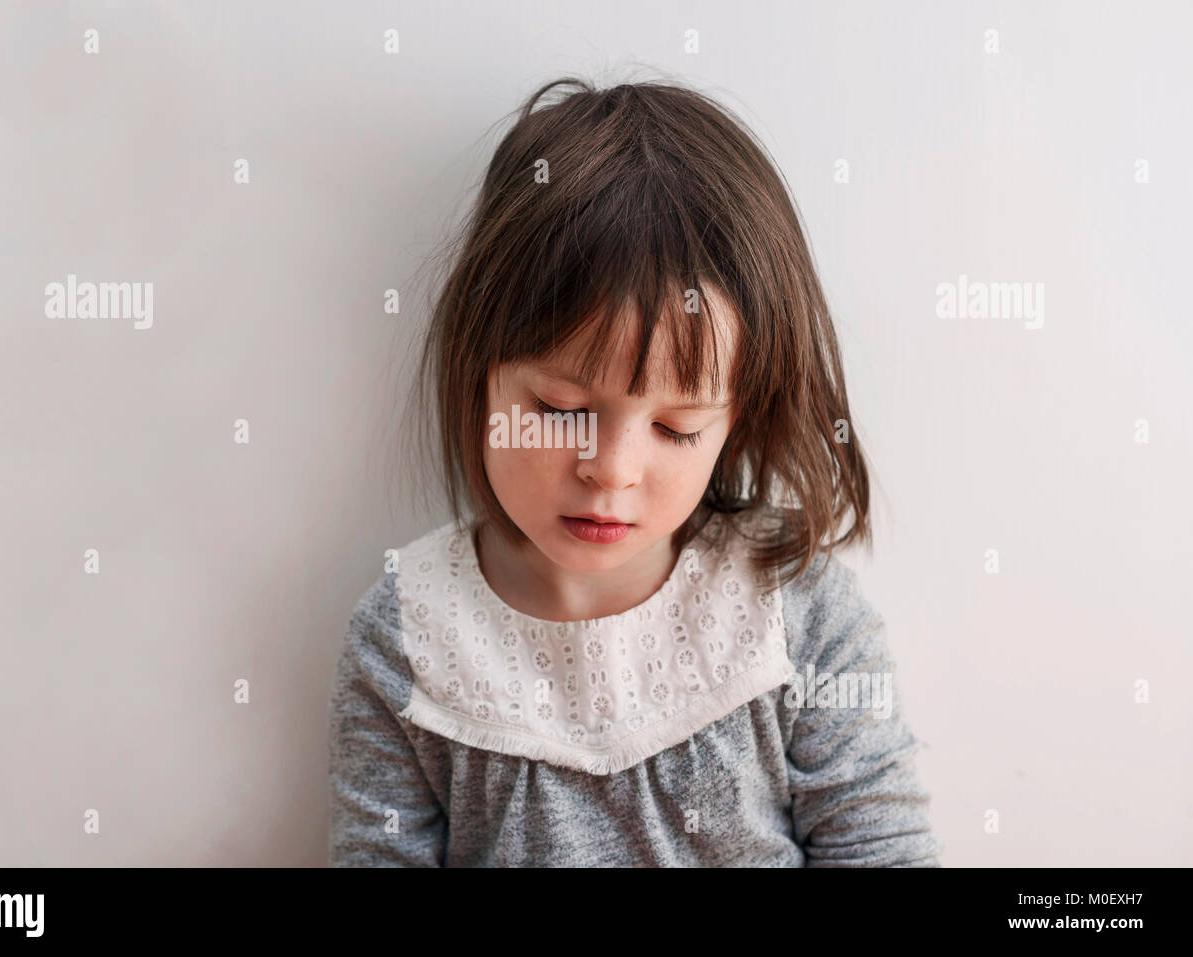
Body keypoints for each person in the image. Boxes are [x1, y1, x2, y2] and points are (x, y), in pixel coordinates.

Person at [328, 76, 942, 866]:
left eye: (676, 427)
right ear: (479, 371)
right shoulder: (406, 638)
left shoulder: (800, 616)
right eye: (558, 408)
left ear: (737, 419)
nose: (612, 470)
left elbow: (883, 851)